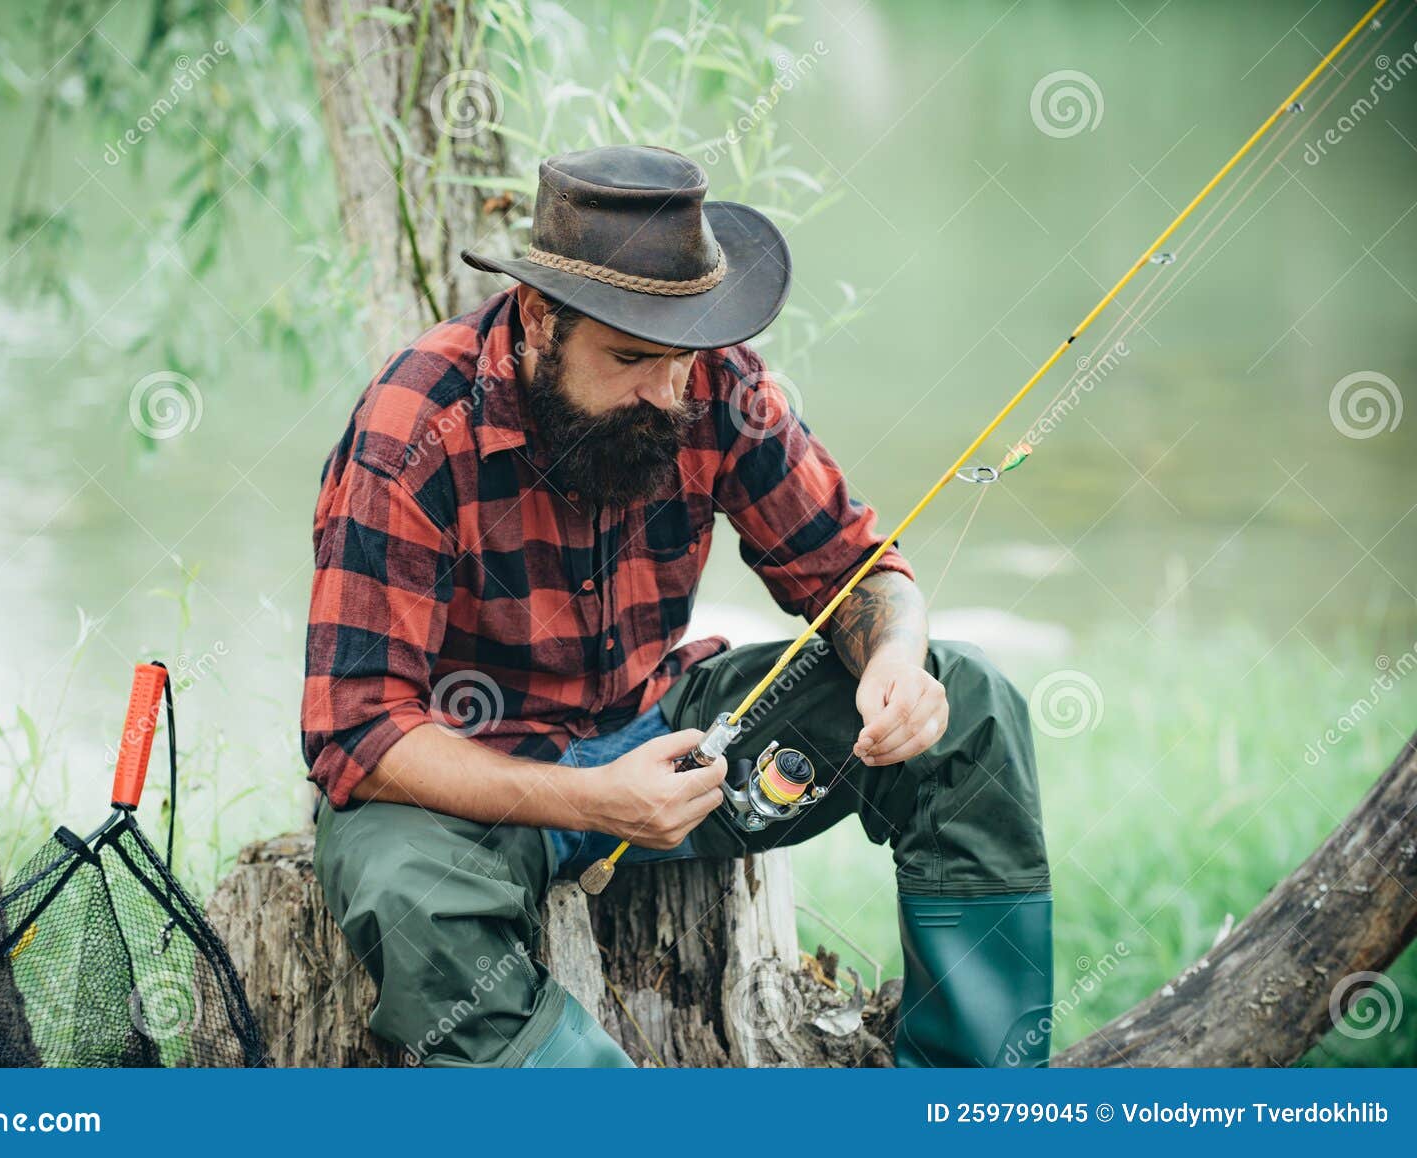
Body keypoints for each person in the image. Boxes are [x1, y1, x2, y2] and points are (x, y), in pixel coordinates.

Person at [302, 145, 1051, 1067]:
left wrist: (894, 660)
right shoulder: (415, 429)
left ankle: (967, 1103)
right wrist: (592, 799)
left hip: (667, 732)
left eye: (682, 358)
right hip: (475, 775)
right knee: (406, 895)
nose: (665, 392)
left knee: (968, 704)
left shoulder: (716, 380)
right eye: (630, 357)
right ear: (538, 317)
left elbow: (857, 570)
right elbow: (357, 729)